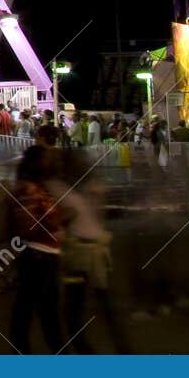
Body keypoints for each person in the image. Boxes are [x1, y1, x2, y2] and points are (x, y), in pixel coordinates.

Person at [56, 151, 131, 353]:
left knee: (77, 308)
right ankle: (120, 351)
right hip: (91, 251)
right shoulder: (88, 185)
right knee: (100, 305)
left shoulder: (64, 188)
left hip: (80, 252)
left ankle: (91, 353)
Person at [9, 145, 66, 353]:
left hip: (45, 255)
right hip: (37, 256)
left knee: (40, 310)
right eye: (47, 159)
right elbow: (27, 225)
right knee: (38, 310)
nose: (52, 163)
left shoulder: (37, 187)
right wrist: (53, 224)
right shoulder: (28, 189)